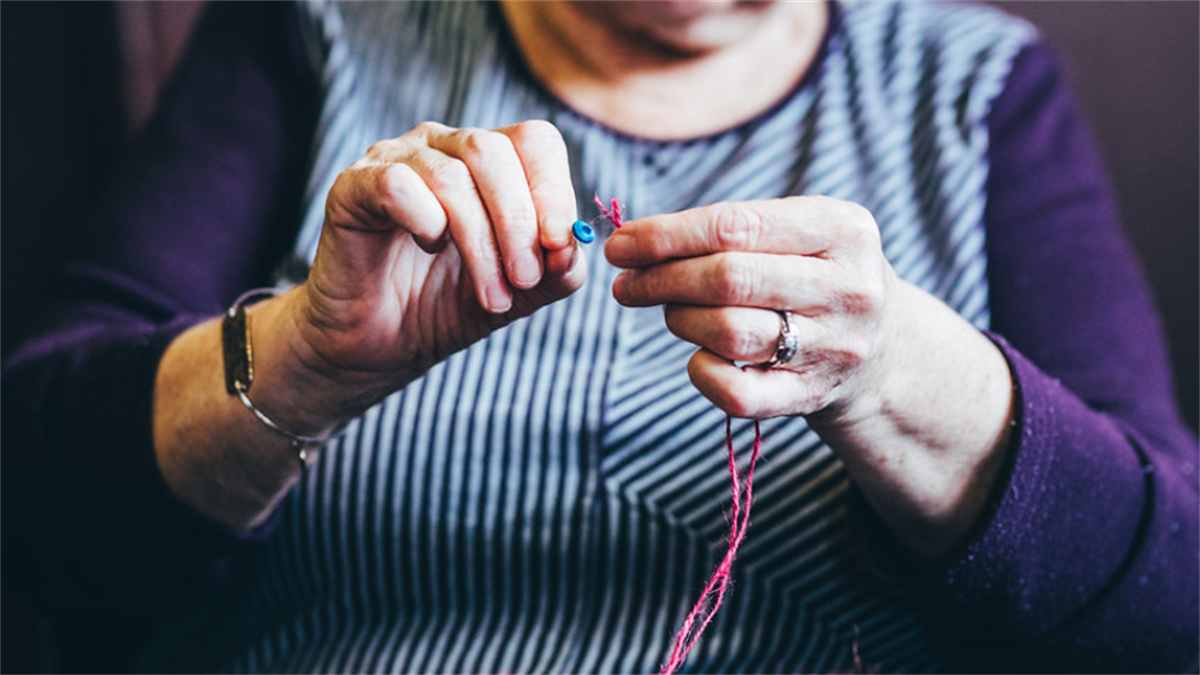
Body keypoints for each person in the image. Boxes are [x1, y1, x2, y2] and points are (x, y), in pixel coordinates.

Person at [1, 0, 1196, 672]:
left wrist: (895, 378)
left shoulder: (975, 89)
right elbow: (32, 515)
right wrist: (302, 367)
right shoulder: (315, 31)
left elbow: (1168, 609)